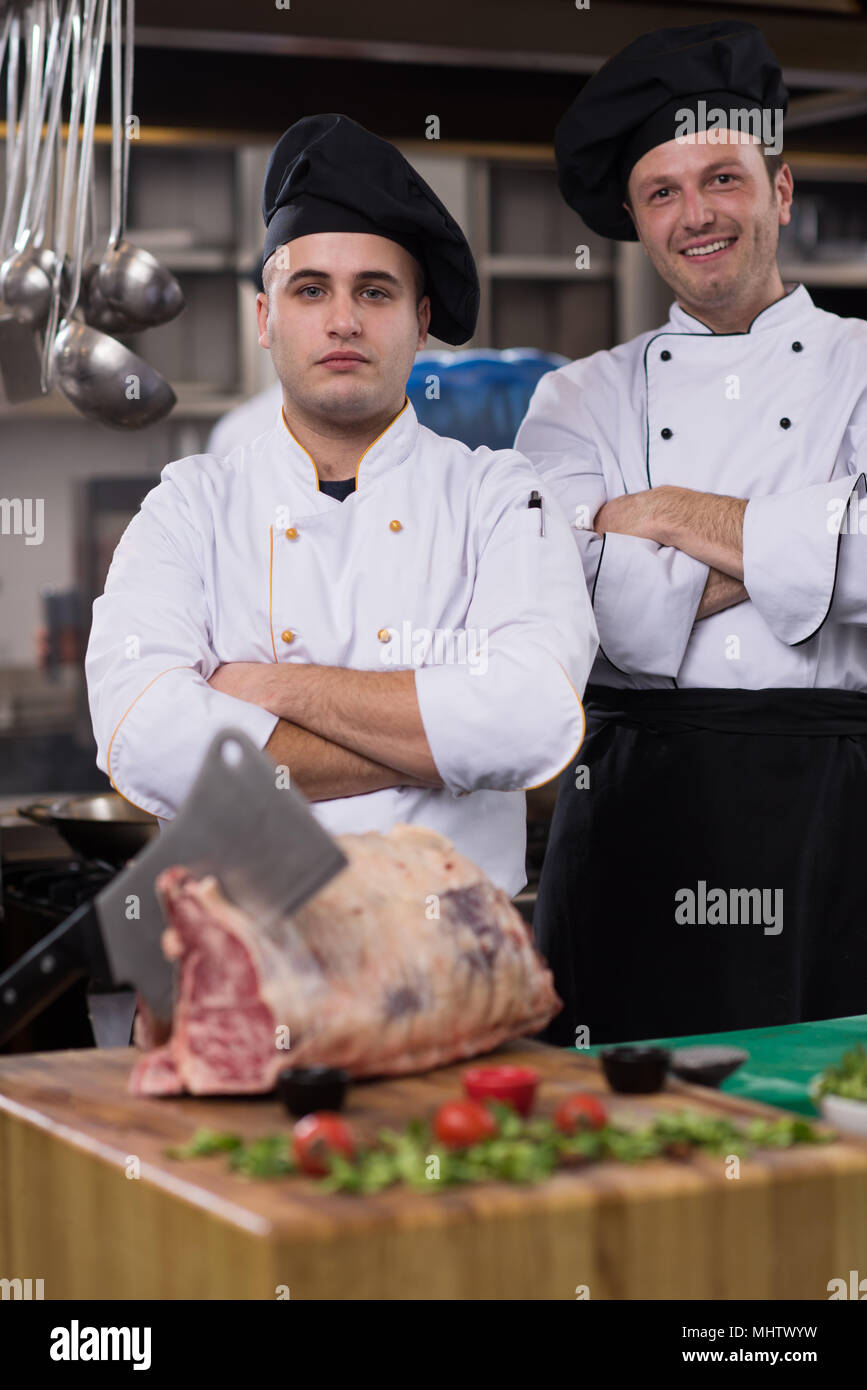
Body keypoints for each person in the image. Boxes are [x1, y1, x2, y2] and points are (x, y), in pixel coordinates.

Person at [85, 114, 598, 895]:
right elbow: (145, 740)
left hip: (447, 966)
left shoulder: (500, 496)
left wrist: (277, 689)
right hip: (248, 960)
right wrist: (439, 751)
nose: (342, 320)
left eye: (375, 291)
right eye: (311, 288)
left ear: (420, 323)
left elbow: (530, 717)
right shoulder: (189, 505)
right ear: (266, 318)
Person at [515, 21, 867, 1042]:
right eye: (662, 191)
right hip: (635, 809)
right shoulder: (573, 399)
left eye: (723, 178)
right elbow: (572, 601)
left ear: (781, 191)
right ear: (634, 216)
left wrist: (662, 517)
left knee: (831, 1124)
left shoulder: (858, 362)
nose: (696, 214)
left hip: (835, 813)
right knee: (621, 1125)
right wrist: (816, 537)